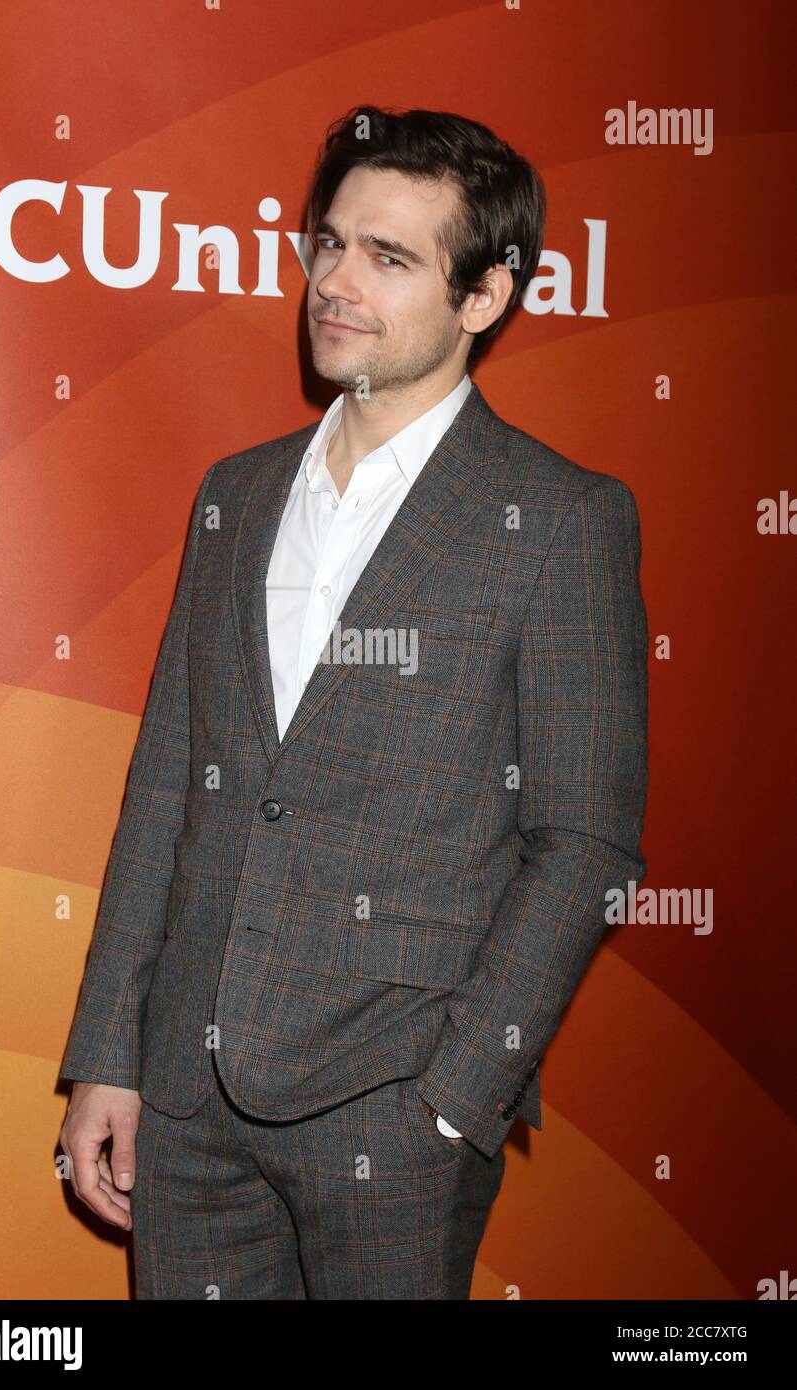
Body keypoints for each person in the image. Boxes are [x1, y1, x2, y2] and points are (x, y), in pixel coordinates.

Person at [58, 104, 649, 1300]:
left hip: (393, 1108)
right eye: (328, 244)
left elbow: (583, 838)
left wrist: (455, 1097)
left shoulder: (556, 519)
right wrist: (107, 1057)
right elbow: (166, 781)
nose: (335, 282)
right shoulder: (236, 494)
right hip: (185, 1094)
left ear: (484, 296)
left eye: (389, 258)